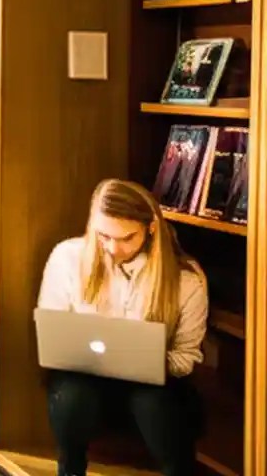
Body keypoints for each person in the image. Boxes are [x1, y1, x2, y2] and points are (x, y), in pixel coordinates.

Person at [38, 179, 207, 476]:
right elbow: (52, 332)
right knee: (71, 398)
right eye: (103, 236)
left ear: (151, 228)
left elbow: (186, 357)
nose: (113, 248)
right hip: (83, 380)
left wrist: (146, 363)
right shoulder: (67, 257)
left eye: (126, 238)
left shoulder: (187, 280)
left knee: (156, 407)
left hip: (154, 388)